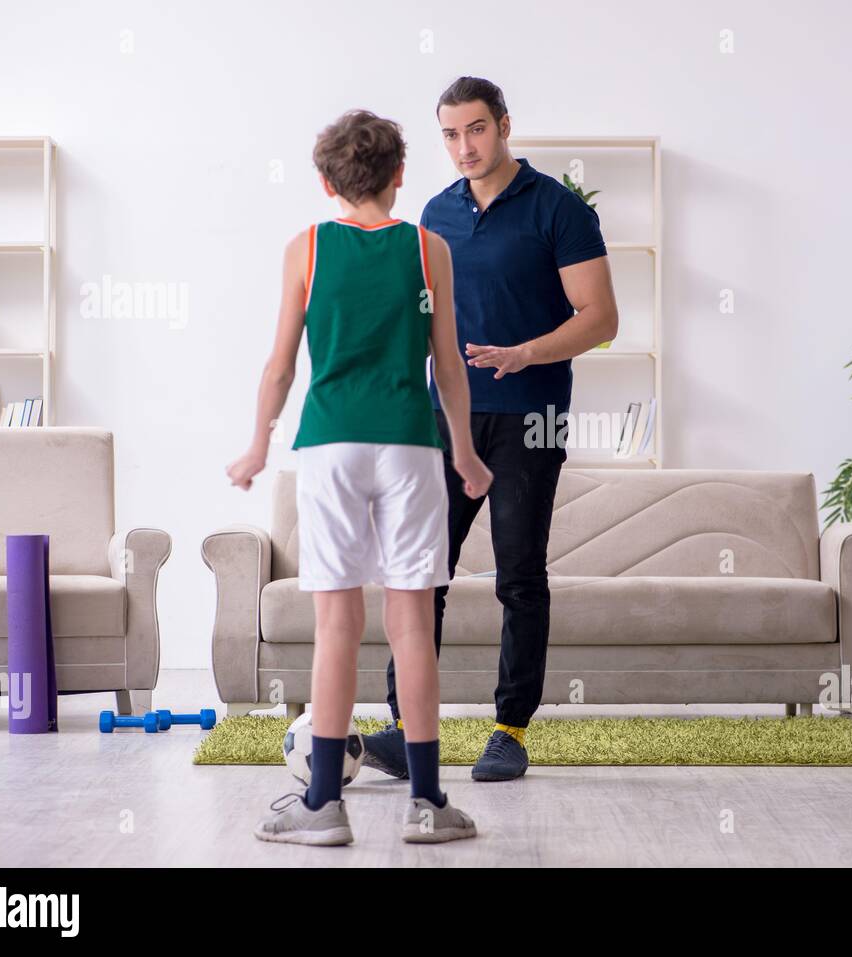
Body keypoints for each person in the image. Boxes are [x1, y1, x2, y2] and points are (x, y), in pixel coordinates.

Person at [226, 108, 492, 845]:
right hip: (410, 446)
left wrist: (256, 447)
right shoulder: (429, 247)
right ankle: (429, 803)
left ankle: (322, 806)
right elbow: (450, 365)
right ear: (401, 176)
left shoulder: (305, 247)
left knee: (336, 623)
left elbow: (280, 364)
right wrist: (465, 452)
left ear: (325, 182)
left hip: (331, 447)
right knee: (412, 623)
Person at [363, 77, 618, 783]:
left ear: (504, 125)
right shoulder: (434, 214)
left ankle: (510, 729)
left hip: (530, 416)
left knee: (519, 574)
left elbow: (600, 317)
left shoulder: (557, 209)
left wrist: (524, 353)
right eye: (449, 134)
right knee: (421, 574)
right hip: (445, 418)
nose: (464, 146)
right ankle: (408, 726)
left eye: (475, 129)